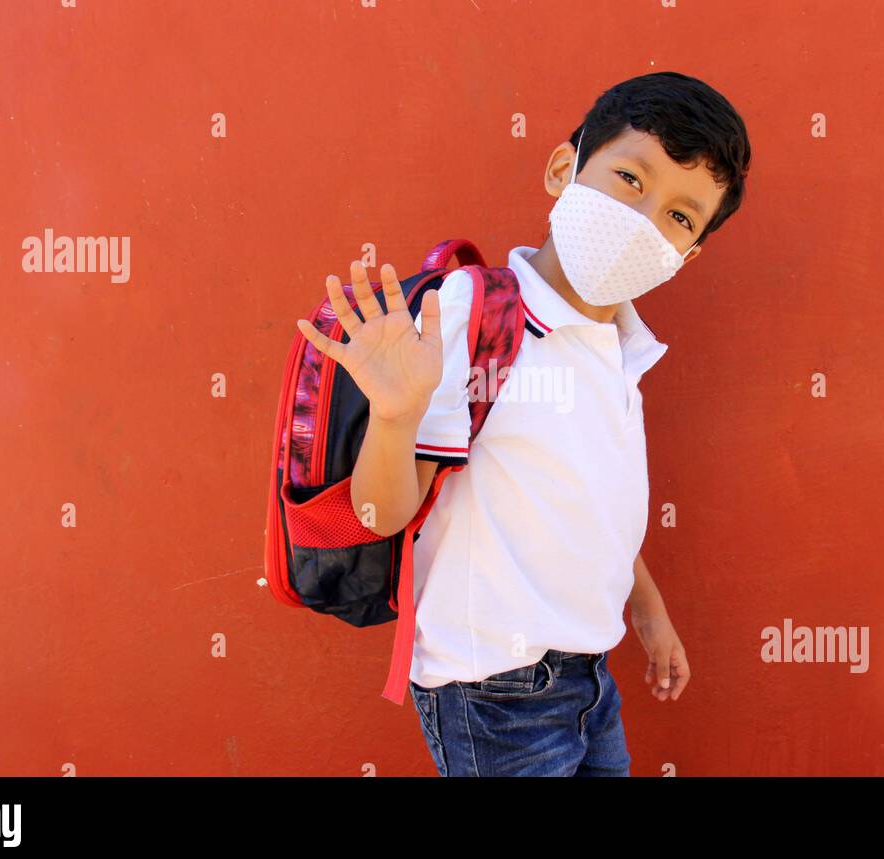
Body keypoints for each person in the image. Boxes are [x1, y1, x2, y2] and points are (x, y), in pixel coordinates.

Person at [297, 71, 752, 776]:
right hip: (493, 689)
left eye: (679, 216)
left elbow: (591, 507)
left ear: (685, 258)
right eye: (631, 179)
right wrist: (394, 415)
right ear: (562, 169)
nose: (644, 221)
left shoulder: (620, 349)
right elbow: (384, 512)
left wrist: (649, 612)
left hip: (591, 680)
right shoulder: (475, 317)